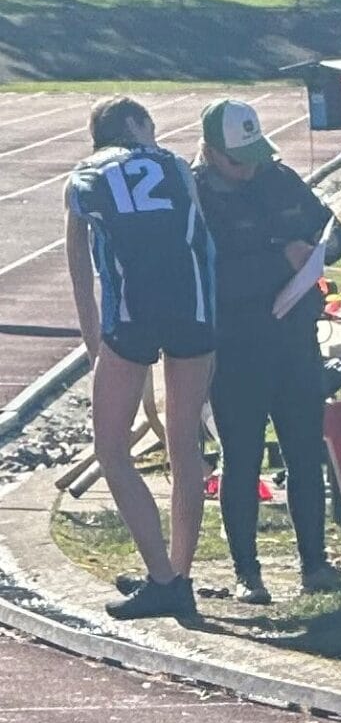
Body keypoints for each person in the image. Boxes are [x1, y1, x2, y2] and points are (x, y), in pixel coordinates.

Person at [63, 97, 216, 622]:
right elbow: (201, 241)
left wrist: (94, 345)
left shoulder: (85, 175)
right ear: (137, 125)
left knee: (111, 448)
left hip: (133, 316)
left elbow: (81, 272)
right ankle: (180, 571)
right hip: (194, 310)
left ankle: (162, 577)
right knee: (184, 445)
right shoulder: (176, 165)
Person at [193, 98, 341, 605]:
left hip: (294, 339)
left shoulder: (278, 179)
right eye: (240, 159)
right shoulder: (196, 199)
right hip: (237, 346)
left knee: (306, 452)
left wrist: (320, 248)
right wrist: (280, 258)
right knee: (241, 459)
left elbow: (332, 229)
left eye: (256, 154)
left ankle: (316, 563)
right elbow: (209, 279)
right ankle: (248, 573)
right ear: (212, 153)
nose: (251, 167)